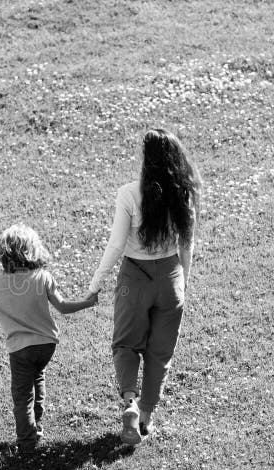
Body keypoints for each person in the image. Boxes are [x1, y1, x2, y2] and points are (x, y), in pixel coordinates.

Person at [88, 128, 201, 445]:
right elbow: (187, 247)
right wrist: (182, 286)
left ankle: (130, 404)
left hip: (133, 278)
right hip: (169, 279)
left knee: (126, 345)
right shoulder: (184, 194)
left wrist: (96, 283)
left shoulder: (128, 194)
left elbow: (115, 245)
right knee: (160, 353)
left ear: (145, 159)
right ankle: (147, 417)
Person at [0, 224, 97, 454]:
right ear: (33, 251)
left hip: (19, 348)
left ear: (4, 253)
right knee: (38, 378)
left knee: (22, 395)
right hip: (46, 345)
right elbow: (63, 307)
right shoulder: (42, 277)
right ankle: (37, 426)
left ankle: (27, 442)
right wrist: (88, 301)